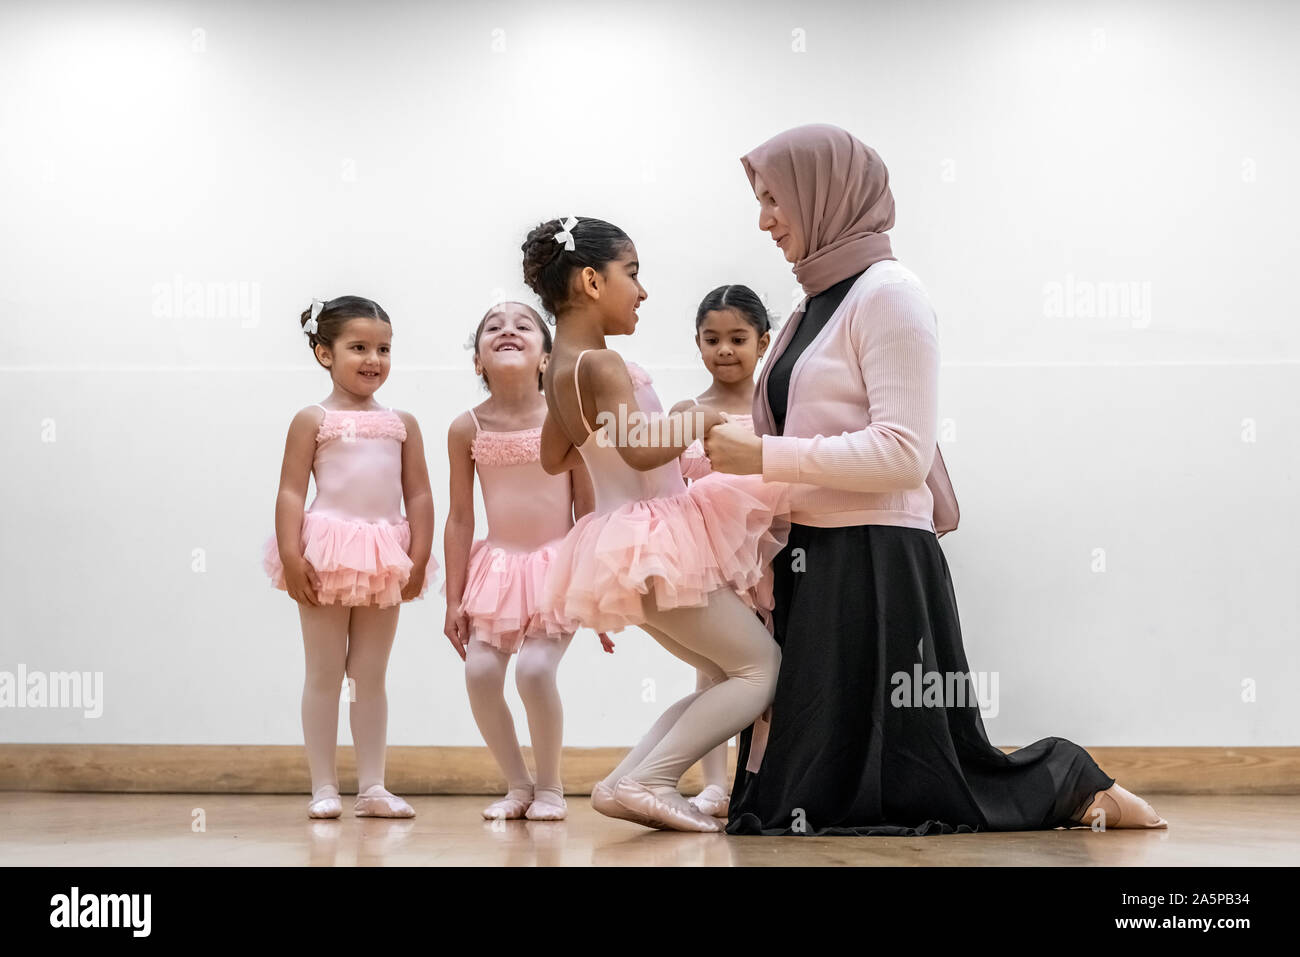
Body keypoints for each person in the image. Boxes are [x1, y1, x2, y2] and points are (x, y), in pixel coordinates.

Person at [705, 124, 1166, 835]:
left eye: (775, 199)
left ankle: (1073, 781)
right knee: (783, 802)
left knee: (922, 780)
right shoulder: (807, 305)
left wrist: (763, 458)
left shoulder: (890, 294)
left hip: (877, 560)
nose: (764, 219)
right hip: (814, 557)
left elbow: (901, 453)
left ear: (823, 195)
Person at [525, 215, 790, 832]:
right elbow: (642, 450)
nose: (642, 292)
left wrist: (597, 431)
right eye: (633, 274)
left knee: (729, 672)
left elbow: (552, 455)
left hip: (621, 540)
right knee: (762, 668)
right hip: (653, 540)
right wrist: (701, 421)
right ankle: (651, 778)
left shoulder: (562, 367)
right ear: (592, 280)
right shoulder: (602, 363)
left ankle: (625, 783)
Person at [263, 295, 435, 820]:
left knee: (369, 675)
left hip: (384, 553)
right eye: (358, 347)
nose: (373, 359)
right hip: (325, 551)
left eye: (383, 348)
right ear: (323, 353)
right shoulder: (311, 419)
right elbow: (291, 491)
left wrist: (420, 555)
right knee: (324, 672)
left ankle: (374, 787)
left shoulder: (401, 421)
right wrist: (292, 556)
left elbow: (420, 493)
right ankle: (323, 786)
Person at [443, 300, 609, 822]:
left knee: (535, 672)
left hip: (557, 567)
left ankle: (552, 788)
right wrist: (452, 598)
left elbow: (589, 507)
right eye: (492, 327)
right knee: (480, 674)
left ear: (546, 357)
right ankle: (519, 784)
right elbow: (460, 520)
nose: (507, 330)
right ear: (477, 361)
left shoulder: (564, 417)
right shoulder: (465, 428)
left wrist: (601, 585)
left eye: (522, 326)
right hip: (497, 571)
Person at [670, 284, 772, 820]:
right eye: (712, 339)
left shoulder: (774, 408)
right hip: (707, 559)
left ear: (764, 341)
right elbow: (669, 483)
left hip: (771, 558)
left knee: (765, 670)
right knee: (713, 669)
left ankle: (759, 774)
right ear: (698, 344)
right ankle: (714, 784)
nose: (725, 350)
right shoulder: (688, 410)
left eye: (738, 338)